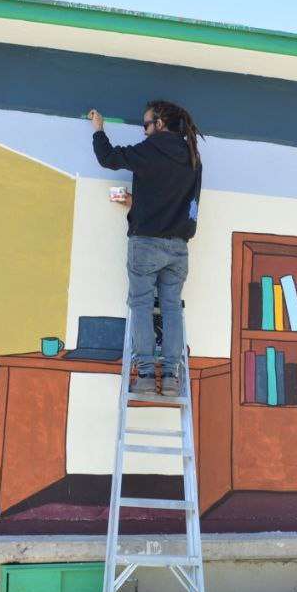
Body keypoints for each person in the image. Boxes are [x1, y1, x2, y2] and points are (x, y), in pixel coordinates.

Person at [88, 100, 203, 397]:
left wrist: (99, 129)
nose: (144, 130)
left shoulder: (150, 149)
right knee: (171, 307)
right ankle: (173, 376)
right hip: (178, 247)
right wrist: (137, 202)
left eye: (146, 124)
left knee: (141, 305)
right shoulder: (193, 157)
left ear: (160, 123)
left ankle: (148, 376)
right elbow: (185, 207)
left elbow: (109, 158)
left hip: (146, 244)